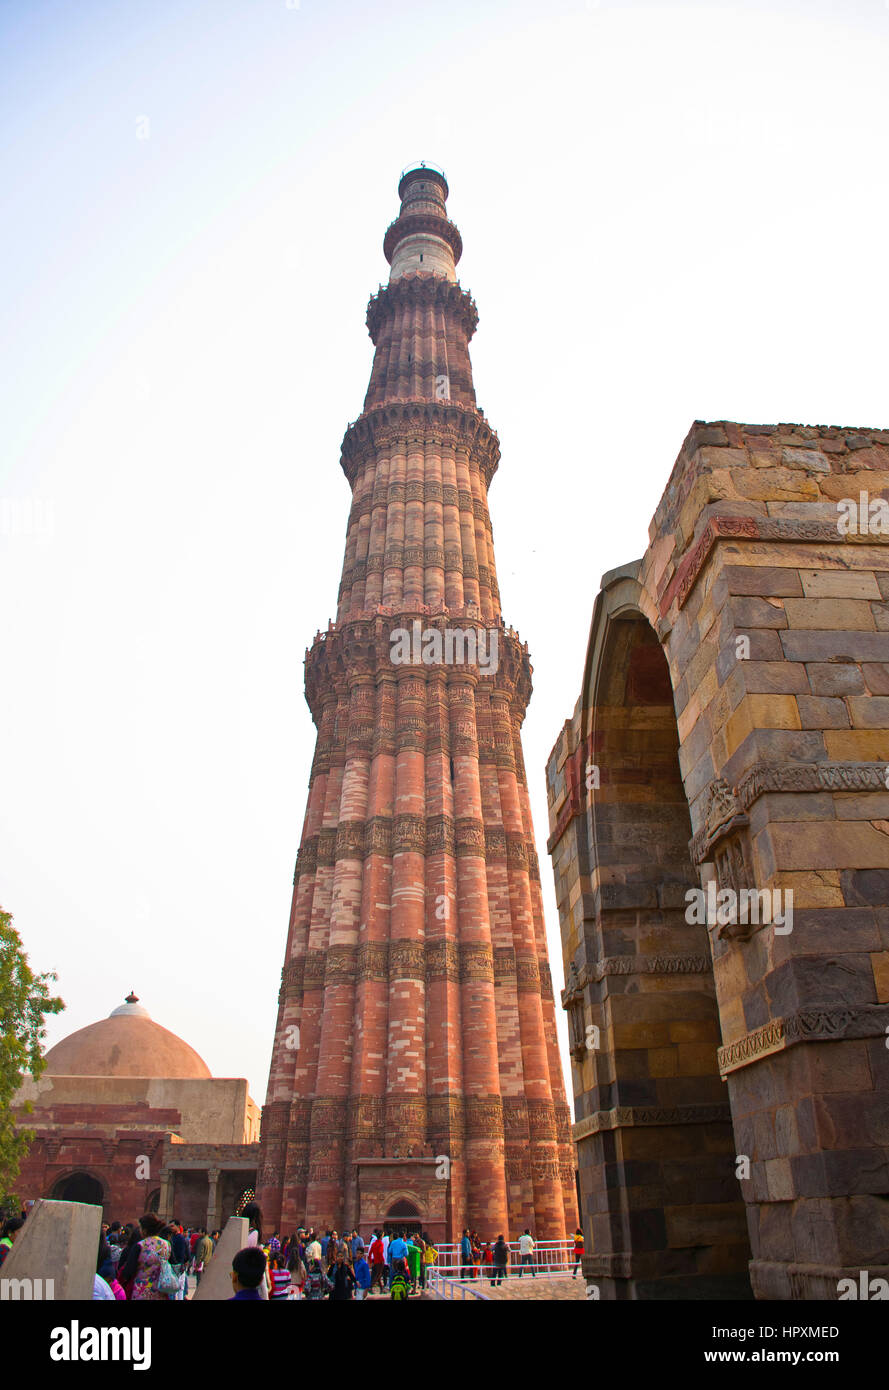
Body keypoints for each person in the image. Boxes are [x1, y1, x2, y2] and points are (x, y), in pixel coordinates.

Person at [118, 1214, 172, 1301]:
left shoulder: (140, 1246)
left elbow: (128, 1271)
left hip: (141, 1291)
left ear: (145, 1230)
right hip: (160, 1291)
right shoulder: (166, 1245)